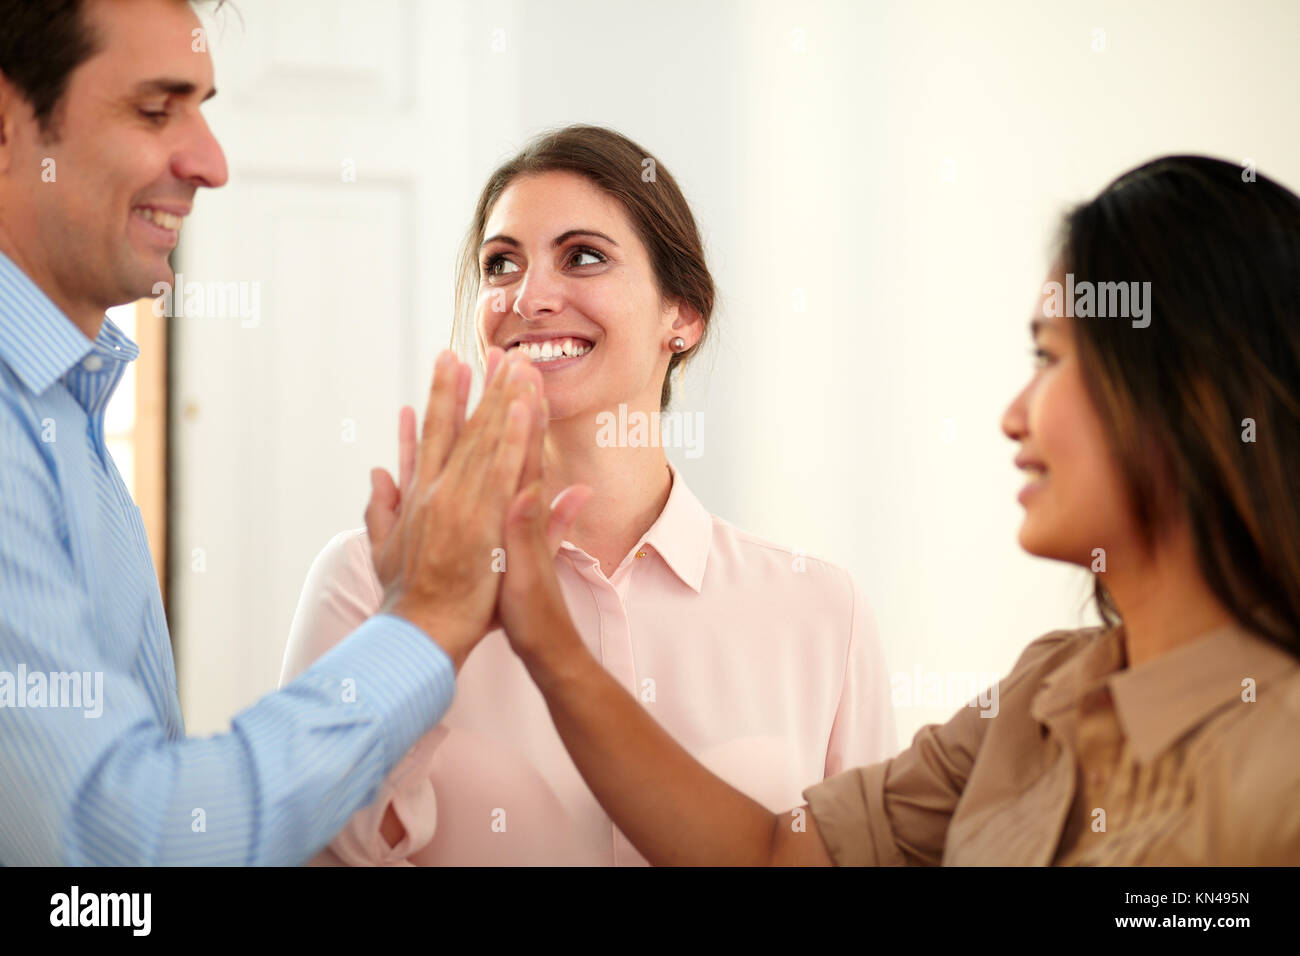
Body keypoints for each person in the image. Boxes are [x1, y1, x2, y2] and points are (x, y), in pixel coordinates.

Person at [490, 155, 1300, 865]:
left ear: (1194, 393)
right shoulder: (1036, 699)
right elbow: (773, 854)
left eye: (1051, 360)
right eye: (500, 263)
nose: (1014, 415)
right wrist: (551, 645)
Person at [0, 0, 548, 865]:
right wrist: (424, 621)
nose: (212, 164)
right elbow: (128, 847)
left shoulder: (66, 410)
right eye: (155, 109)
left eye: (203, 109)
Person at [280, 125, 898, 865]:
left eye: (583, 257)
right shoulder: (367, 579)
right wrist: (417, 643)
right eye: (501, 265)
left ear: (684, 316)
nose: (530, 297)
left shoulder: (822, 609)